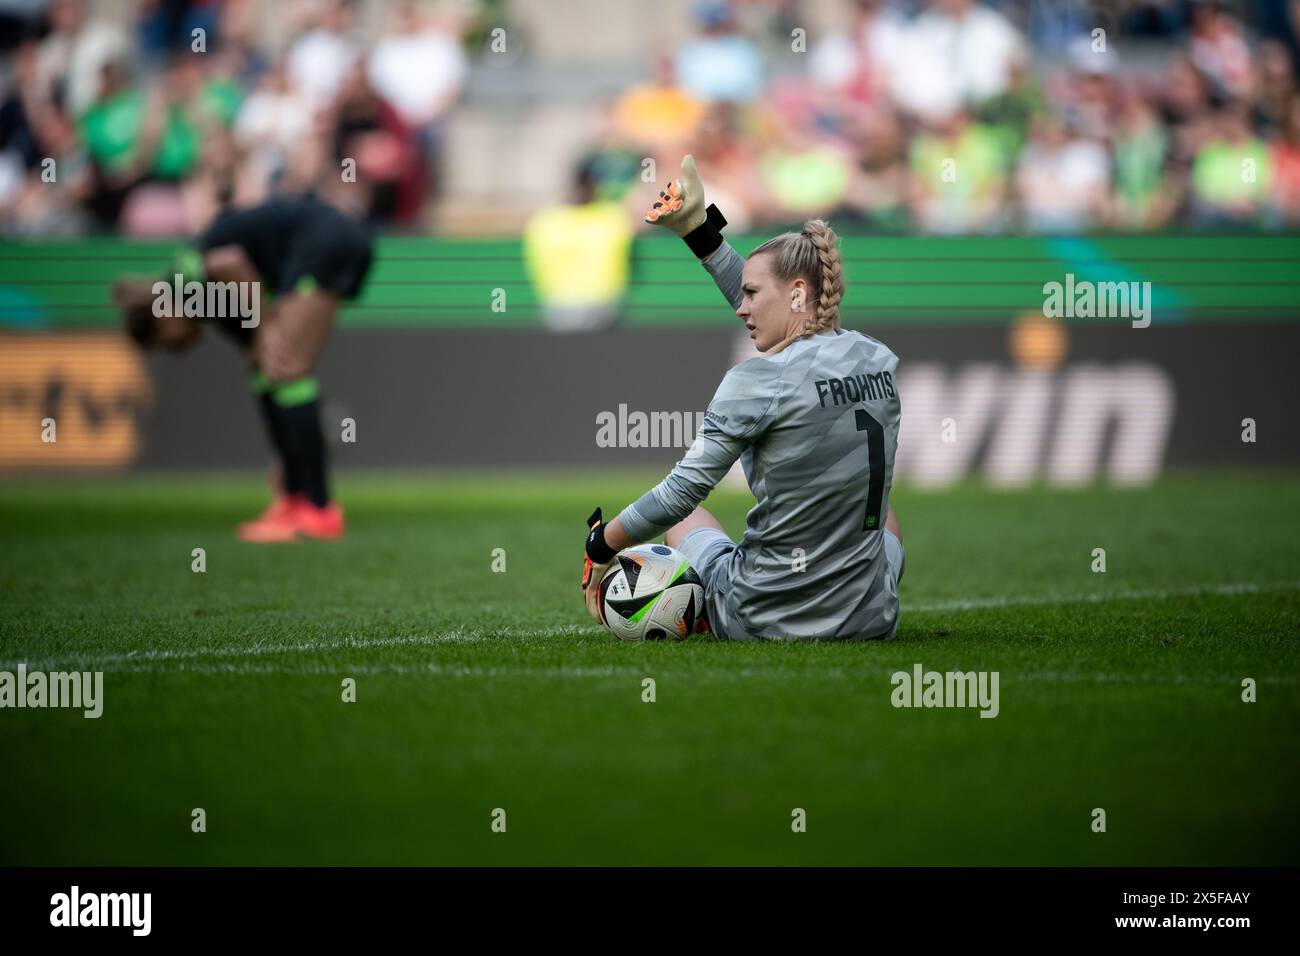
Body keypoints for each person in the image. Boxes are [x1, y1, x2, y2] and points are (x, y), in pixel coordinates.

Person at [581, 157, 904, 641]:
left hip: (762, 616)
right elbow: (797, 329)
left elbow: (680, 494)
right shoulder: (877, 358)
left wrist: (601, 544)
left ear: (797, 294)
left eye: (752, 294)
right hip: (871, 616)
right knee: (881, 512)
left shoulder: (755, 380)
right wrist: (699, 230)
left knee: (684, 519)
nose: (741, 306)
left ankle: (707, 611)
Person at [112, 192, 373, 541]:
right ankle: (295, 498)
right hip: (320, 247)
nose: (180, 350)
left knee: (286, 369)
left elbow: (229, 261)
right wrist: (289, 450)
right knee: (269, 373)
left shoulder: (180, 281)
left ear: (161, 318)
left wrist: (264, 327)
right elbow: (256, 355)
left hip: (326, 240)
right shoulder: (207, 308)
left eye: (168, 344)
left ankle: (318, 508)